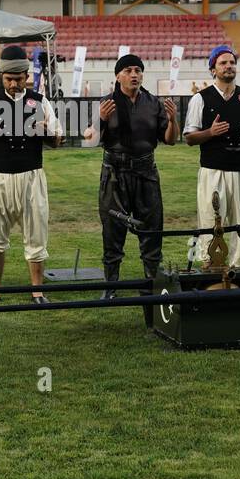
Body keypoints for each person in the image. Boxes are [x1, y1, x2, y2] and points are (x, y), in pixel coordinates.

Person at [0, 45, 64, 304]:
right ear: (2, 77)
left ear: (26, 76)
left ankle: (37, 290)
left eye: (19, 79)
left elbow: (58, 140)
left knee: (36, 233)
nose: (14, 84)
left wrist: (46, 133)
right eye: (9, 79)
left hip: (31, 176)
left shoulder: (40, 102)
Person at [86, 53, 178, 297]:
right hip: (115, 174)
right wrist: (101, 119)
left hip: (146, 172)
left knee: (151, 228)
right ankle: (111, 287)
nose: (134, 74)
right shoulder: (108, 102)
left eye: (138, 70)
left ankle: (152, 283)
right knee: (113, 230)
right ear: (118, 76)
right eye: (128, 71)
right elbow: (90, 138)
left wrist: (172, 120)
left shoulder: (153, 103)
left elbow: (169, 140)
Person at [183, 45, 240, 268]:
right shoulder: (201, 99)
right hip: (213, 170)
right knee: (210, 220)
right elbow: (189, 137)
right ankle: (210, 266)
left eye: (232, 62)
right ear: (213, 69)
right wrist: (210, 132)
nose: (229, 66)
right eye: (223, 63)